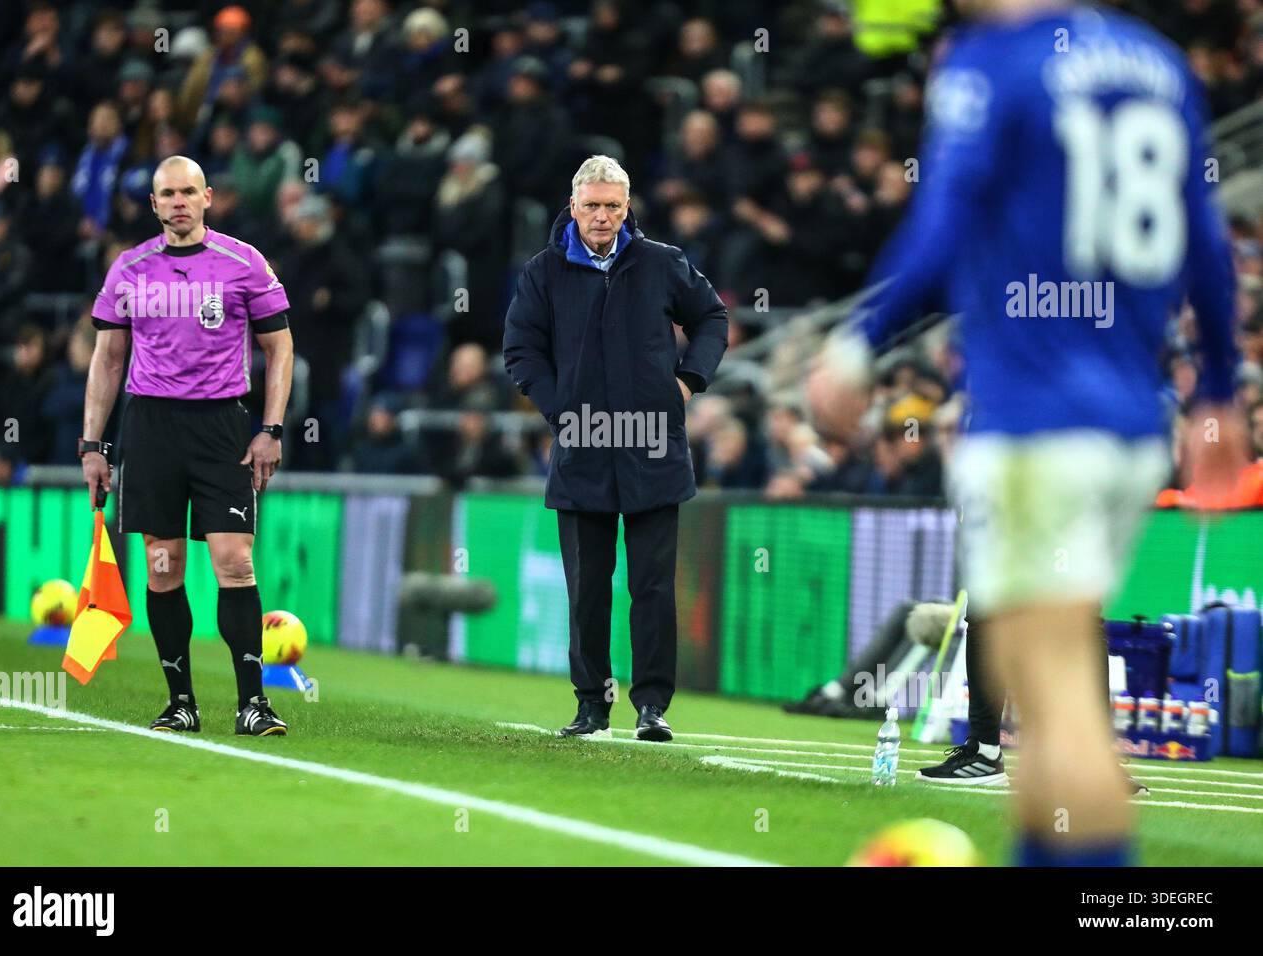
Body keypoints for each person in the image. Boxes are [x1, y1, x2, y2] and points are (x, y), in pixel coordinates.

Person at [809, 0, 1244, 866]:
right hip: (1129, 418)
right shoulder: (1157, 62)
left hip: (1036, 419)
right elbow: (1206, 240)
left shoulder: (992, 61)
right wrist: (1222, 390)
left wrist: (859, 342)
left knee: (1056, 701)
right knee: (1037, 686)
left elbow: (943, 222)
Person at [503, 155, 728, 741]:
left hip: (653, 442)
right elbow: (521, 351)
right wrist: (562, 411)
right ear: (572, 206)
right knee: (587, 588)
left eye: (613, 206)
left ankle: (652, 706)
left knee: (652, 587)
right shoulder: (542, 273)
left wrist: (686, 383)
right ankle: (591, 706)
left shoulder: (661, 264)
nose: (602, 216)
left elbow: (712, 317)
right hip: (582, 447)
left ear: (628, 208)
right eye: (592, 205)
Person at [81, 155, 295, 737]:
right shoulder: (128, 269)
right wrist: (92, 444)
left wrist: (271, 429)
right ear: (153, 204)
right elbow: (107, 359)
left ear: (208, 198)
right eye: (166, 193)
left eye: (188, 192)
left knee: (234, 560)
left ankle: (254, 703)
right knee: (163, 564)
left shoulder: (243, 262)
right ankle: (181, 701)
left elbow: (280, 349)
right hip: (150, 426)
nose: (178, 201)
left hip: (222, 426)